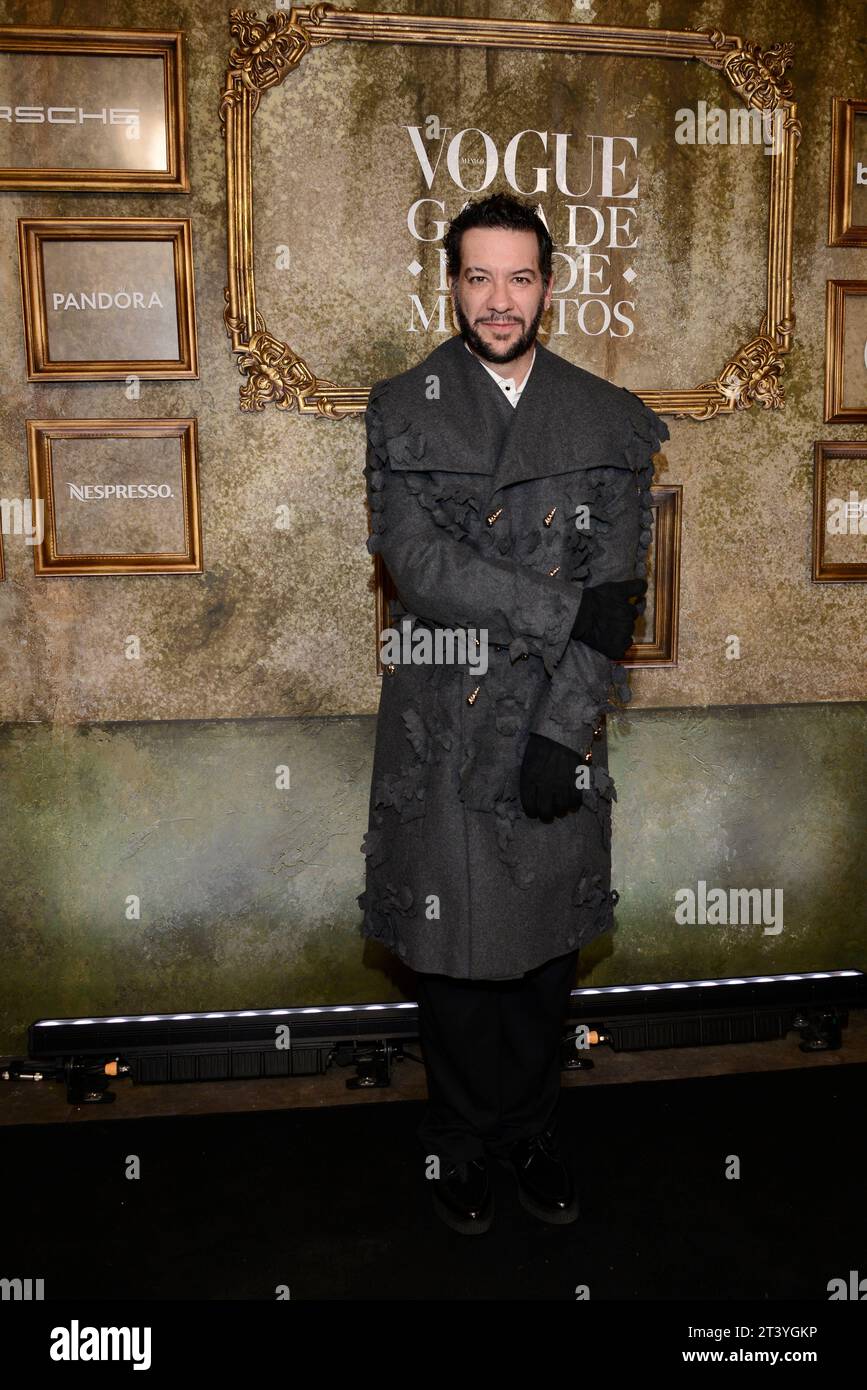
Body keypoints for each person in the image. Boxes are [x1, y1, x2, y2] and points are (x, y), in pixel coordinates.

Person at [358, 191, 669, 1233]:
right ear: (450, 283)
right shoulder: (403, 405)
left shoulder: (611, 418)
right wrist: (563, 604)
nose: (499, 299)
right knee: (449, 961)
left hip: (554, 713)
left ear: (549, 284)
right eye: (478, 276)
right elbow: (421, 565)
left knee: (541, 959)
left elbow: (616, 597)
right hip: (438, 719)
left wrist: (558, 727)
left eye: (520, 277)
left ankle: (530, 1132)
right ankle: (454, 1141)